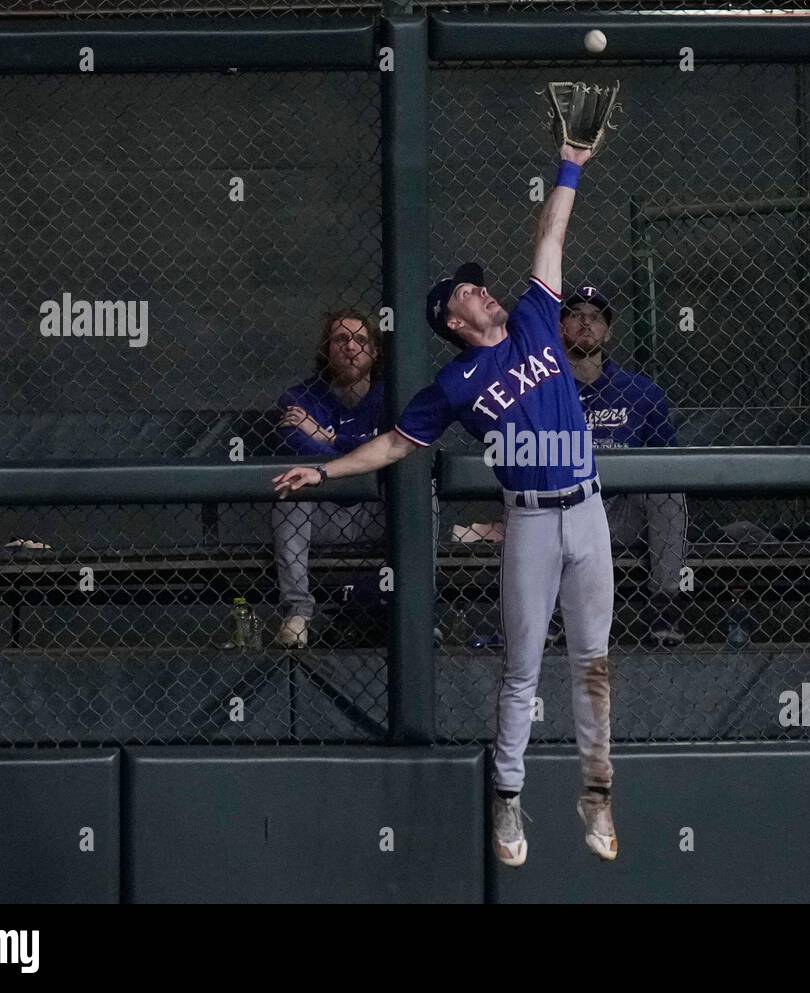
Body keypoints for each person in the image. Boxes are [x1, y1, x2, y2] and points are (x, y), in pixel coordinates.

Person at [274, 142, 618, 868]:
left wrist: (571, 165)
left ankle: (596, 791)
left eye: (480, 287)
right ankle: (509, 794)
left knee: (592, 659)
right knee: (523, 667)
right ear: (452, 320)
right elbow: (397, 444)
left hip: (588, 511)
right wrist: (325, 469)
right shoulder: (455, 384)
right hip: (528, 518)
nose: (481, 290)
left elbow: (550, 234)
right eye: (468, 291)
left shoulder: (532, 316)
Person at [560, 284, 688, 646]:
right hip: (564, 514)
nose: (586, 323)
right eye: (575, 315)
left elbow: (669, 465)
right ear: (559, 328)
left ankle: (664, 606)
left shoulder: (640, 393)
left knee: (665, 489)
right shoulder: (546, 389)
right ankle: (550, 614)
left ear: (609, 331)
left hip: (619, 516)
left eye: (596, 317)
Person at [272, 310, 385, 649]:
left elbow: (397, 444)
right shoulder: (299, 398)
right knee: (290, 488)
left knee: (421, 495)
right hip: (320, 516)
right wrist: (365, 450)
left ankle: (415, 610)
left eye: (361, 340)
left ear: (375, 352)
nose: (352, 347)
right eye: (341, 339)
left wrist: (329, 438)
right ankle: (299, 612)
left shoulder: (391, 396)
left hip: (376, 512)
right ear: (326, 349)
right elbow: (299, 447)